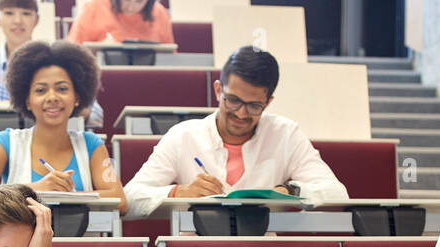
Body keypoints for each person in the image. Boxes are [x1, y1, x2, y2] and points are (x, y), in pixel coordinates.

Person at [122, 46, 349, 219]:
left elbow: (337, 193)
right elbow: (129, 199)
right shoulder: (183, 136)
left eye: (254, 106)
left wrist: (290, 191)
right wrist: (178, 193)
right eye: (233, 101)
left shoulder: (286, 134)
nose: (241, 114)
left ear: (268, 102)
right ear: (218, 90)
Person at [0, 40, 125, 214]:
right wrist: (35, 189)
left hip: (80, 241)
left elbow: (120, 201)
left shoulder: (92, 144)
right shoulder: (5, 142)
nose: (52, 97)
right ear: (27, 101)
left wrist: (66, 195)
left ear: (77, 97)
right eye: (40, 90)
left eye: (62, 89)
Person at [0, 0, 106, 127]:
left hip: (58, 139)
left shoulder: (58, 59)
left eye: (26, 14)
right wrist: (37, 106)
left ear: (37, 19)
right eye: (9, 13)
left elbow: (95, 115)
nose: (17, 21)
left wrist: (60, 106)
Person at [67, 0, 173, 45]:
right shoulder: (93, 7)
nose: (131, 7)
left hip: (149, 79)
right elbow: (72, 52)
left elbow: (170, 57)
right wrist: (99, 49)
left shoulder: (159, 12)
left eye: (139, 1)